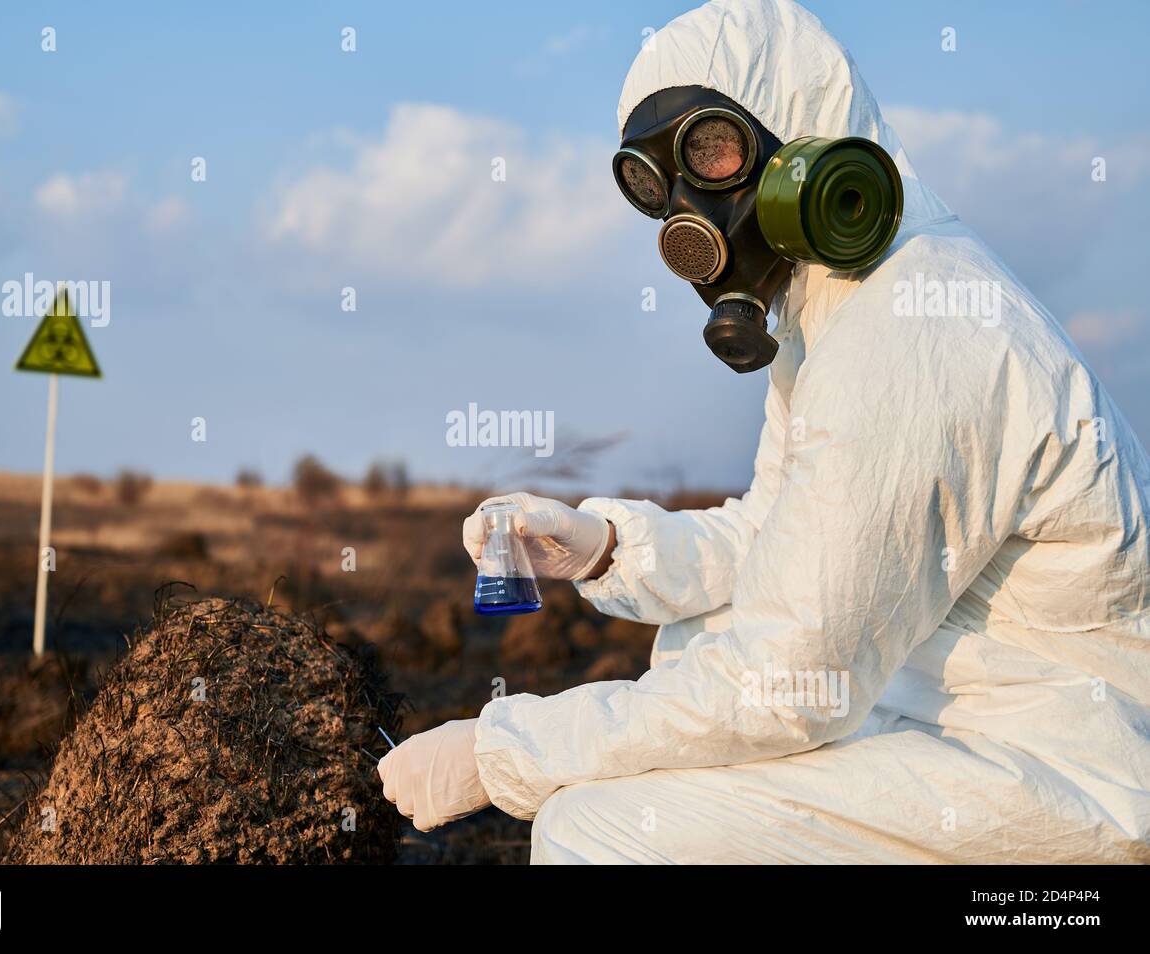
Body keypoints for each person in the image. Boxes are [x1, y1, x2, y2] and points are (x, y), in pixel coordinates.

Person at [378, 0, 1150, 863]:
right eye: (654, 181)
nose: (686, 209)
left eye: (711, 151)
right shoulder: (841, 307)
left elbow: (785, 685)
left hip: (1060, 781)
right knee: (695, 634)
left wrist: (501, 753)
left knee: (600, 829)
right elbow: (785, 536)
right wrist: (605, 547)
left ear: (809, 135)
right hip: (953, 721)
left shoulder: (913, 329)